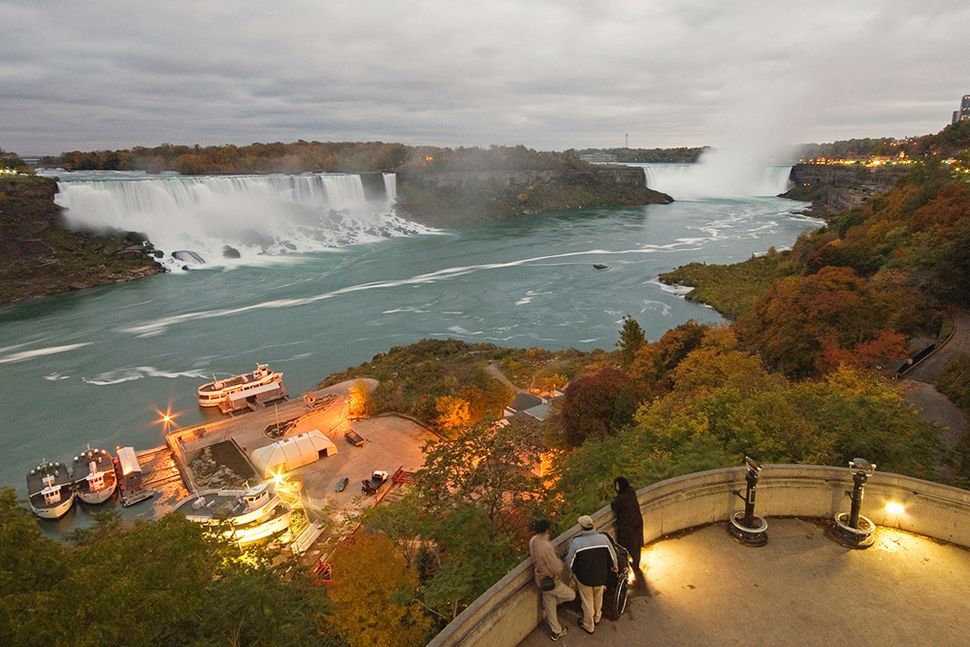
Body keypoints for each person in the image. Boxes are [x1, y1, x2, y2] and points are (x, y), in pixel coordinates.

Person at [564, 515, 618, 634]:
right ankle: (597, 616)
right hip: (601, 576)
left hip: (585, 578)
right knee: (599, 596)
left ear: (581, 527)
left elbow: (569, 562)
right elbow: (613, 556)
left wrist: (575, 573)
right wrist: (615, 566)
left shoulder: (577, 542)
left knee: (587, 602)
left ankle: (589, 625)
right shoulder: (603, 539)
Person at [529, 519, 576, 641]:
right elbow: (556, 567)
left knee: (550, 607)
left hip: (540, 579)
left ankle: (556, 631)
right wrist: (561, 564)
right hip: (551, 580)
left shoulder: (533, 541)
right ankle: (555, 626)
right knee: (571, 595)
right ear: (546, 530)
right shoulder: (546, 547)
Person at [611, 476, 645, 588]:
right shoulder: (631, 492)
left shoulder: (622, 499)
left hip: (627, 528)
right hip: (637, 525)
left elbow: (615, 506)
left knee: (625, 549)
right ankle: (636, 565)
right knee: (636, 547)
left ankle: (626, 570)